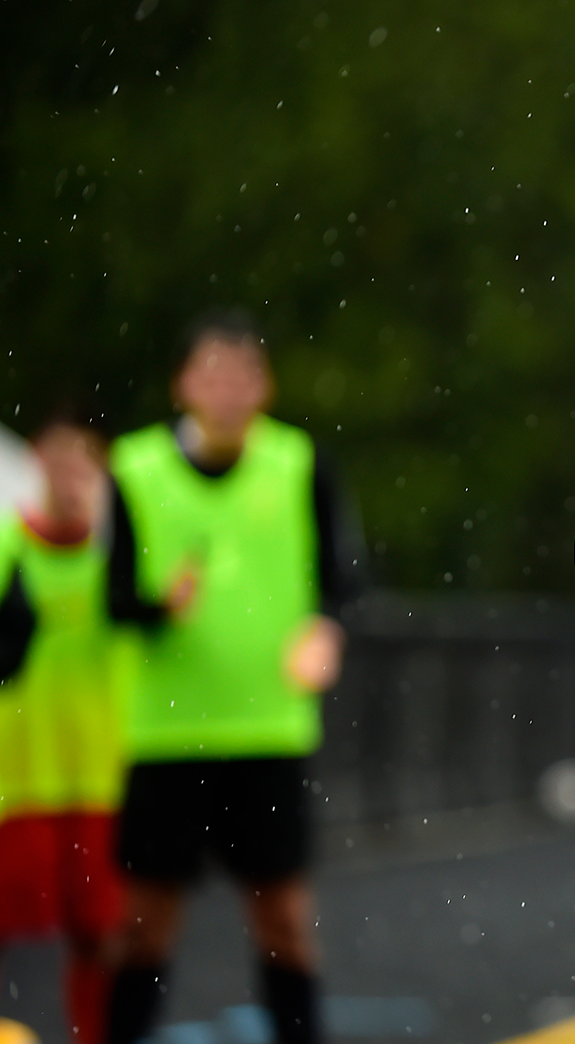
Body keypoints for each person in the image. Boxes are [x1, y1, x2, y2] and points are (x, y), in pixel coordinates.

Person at [102, 312, 364, 1044]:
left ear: (265, 385)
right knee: (144, 928)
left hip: (267, 733)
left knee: (285, 923)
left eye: (244, 374)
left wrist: (325, 629)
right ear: (182, 384)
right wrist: (161, 605)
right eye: (213, 374)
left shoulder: (298, 462)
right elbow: (113, 600)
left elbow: (346, 579)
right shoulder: (135, 469)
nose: (229, 391)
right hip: (167, 736)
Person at [0, 420, 132, 1044]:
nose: (68, 482)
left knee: (100, 932)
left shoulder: (118, 563)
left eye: (81, 469)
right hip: (17, 777)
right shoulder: (8, 548)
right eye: (56, 467)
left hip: (96, 778)